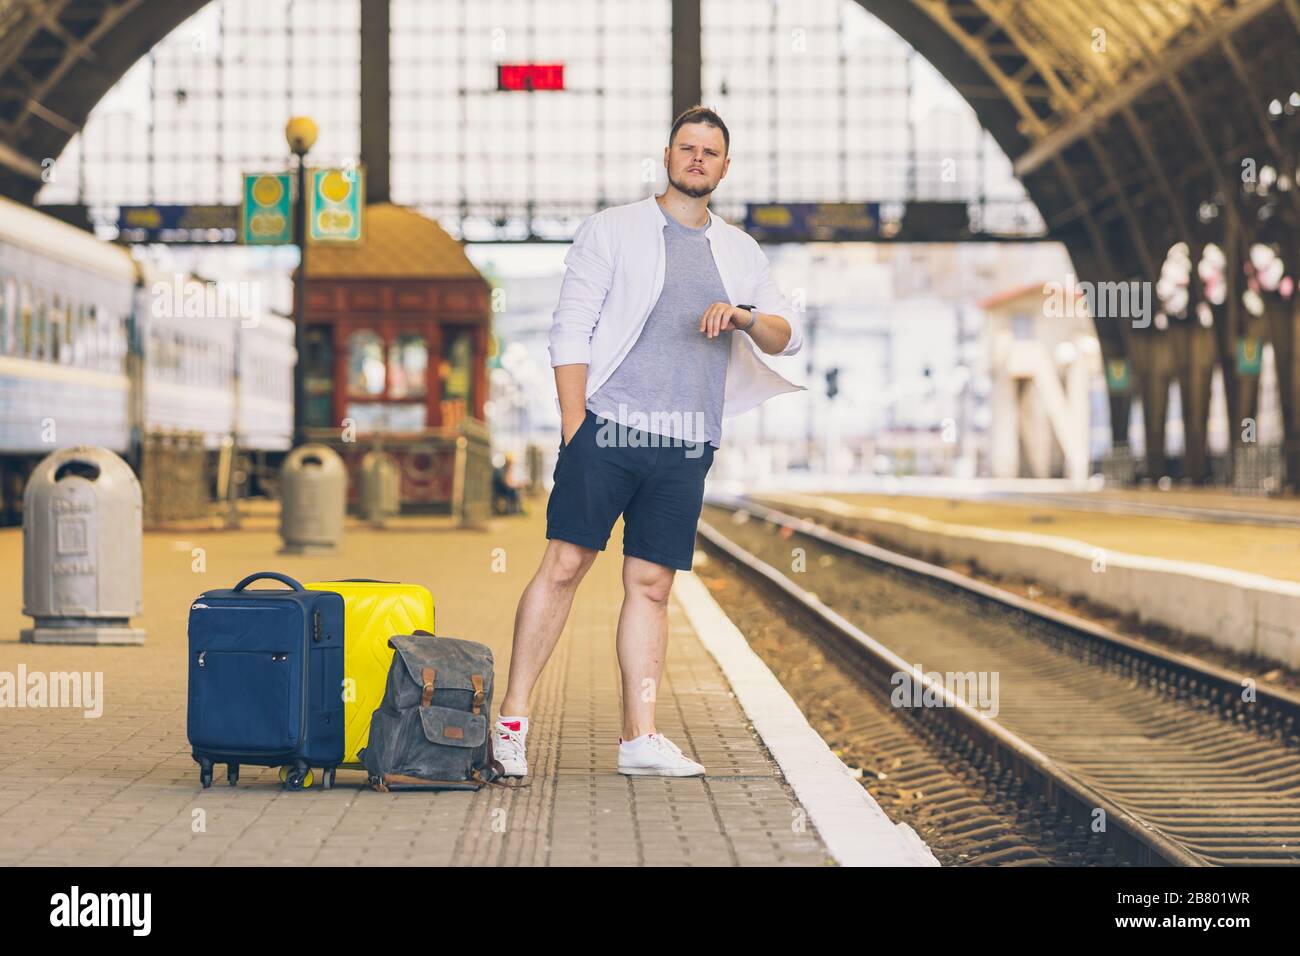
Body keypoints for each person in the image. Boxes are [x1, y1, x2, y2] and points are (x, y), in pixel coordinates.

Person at [495, 105, 805, 777]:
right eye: (686, 147)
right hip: (607, 427)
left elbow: (790, 332)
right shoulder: (613, 230)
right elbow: (570, 329)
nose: (697, 158)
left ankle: (640, 738)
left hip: (688, 442)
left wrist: (747, 317)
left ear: (724, 168)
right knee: (566, 566)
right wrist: (577, 427)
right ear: (667, 158)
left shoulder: (740, 253)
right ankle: (511, 720)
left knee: (653, 584)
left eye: (710, 151)